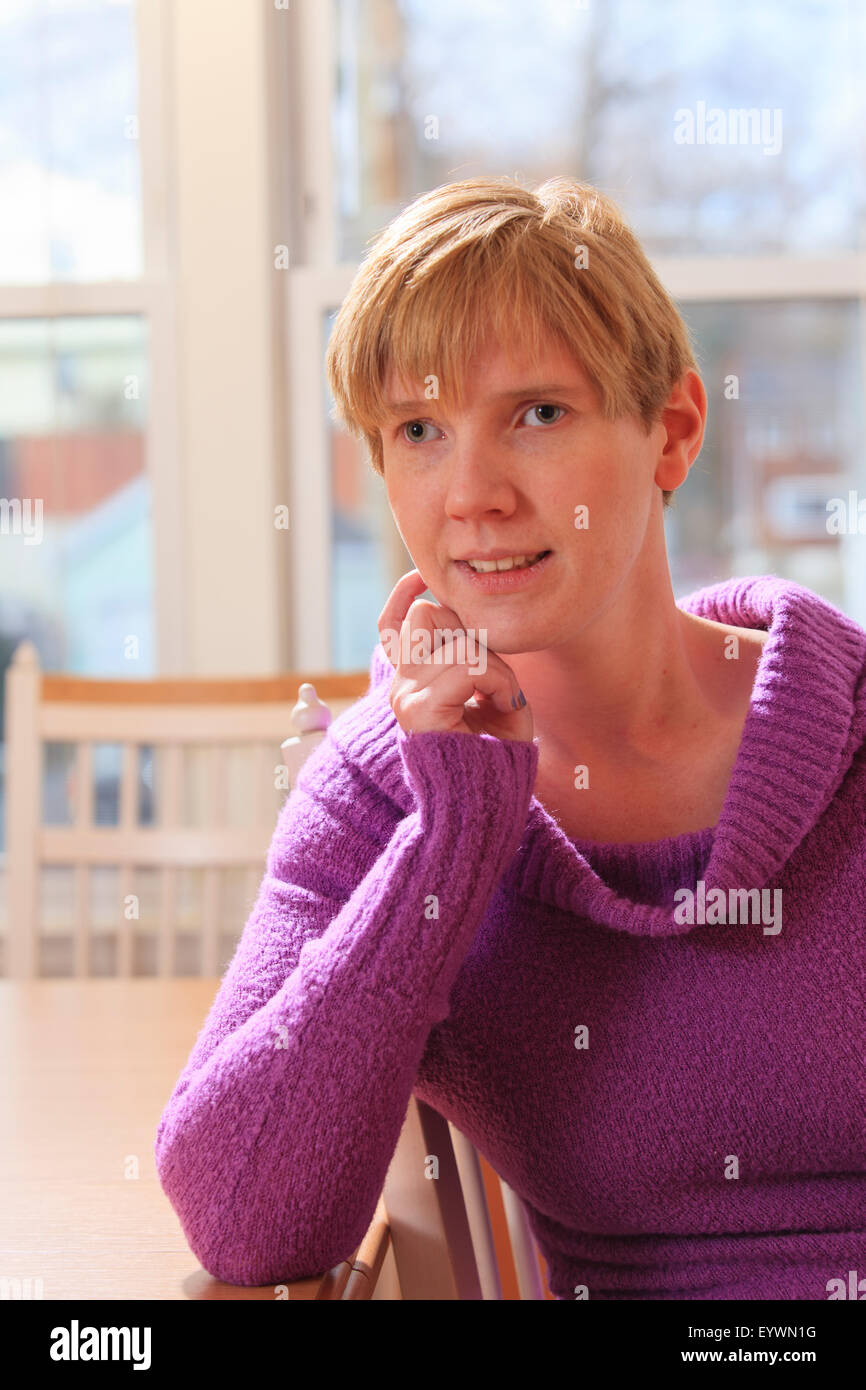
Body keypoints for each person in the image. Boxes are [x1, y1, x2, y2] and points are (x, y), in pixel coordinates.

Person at [155, 176, 866, 1299]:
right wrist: (453, 835)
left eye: (536, 413)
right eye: (419, 431)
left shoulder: (850, 723)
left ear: (670, 432)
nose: (472, 493)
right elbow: (246, 1224)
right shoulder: (378, 798)